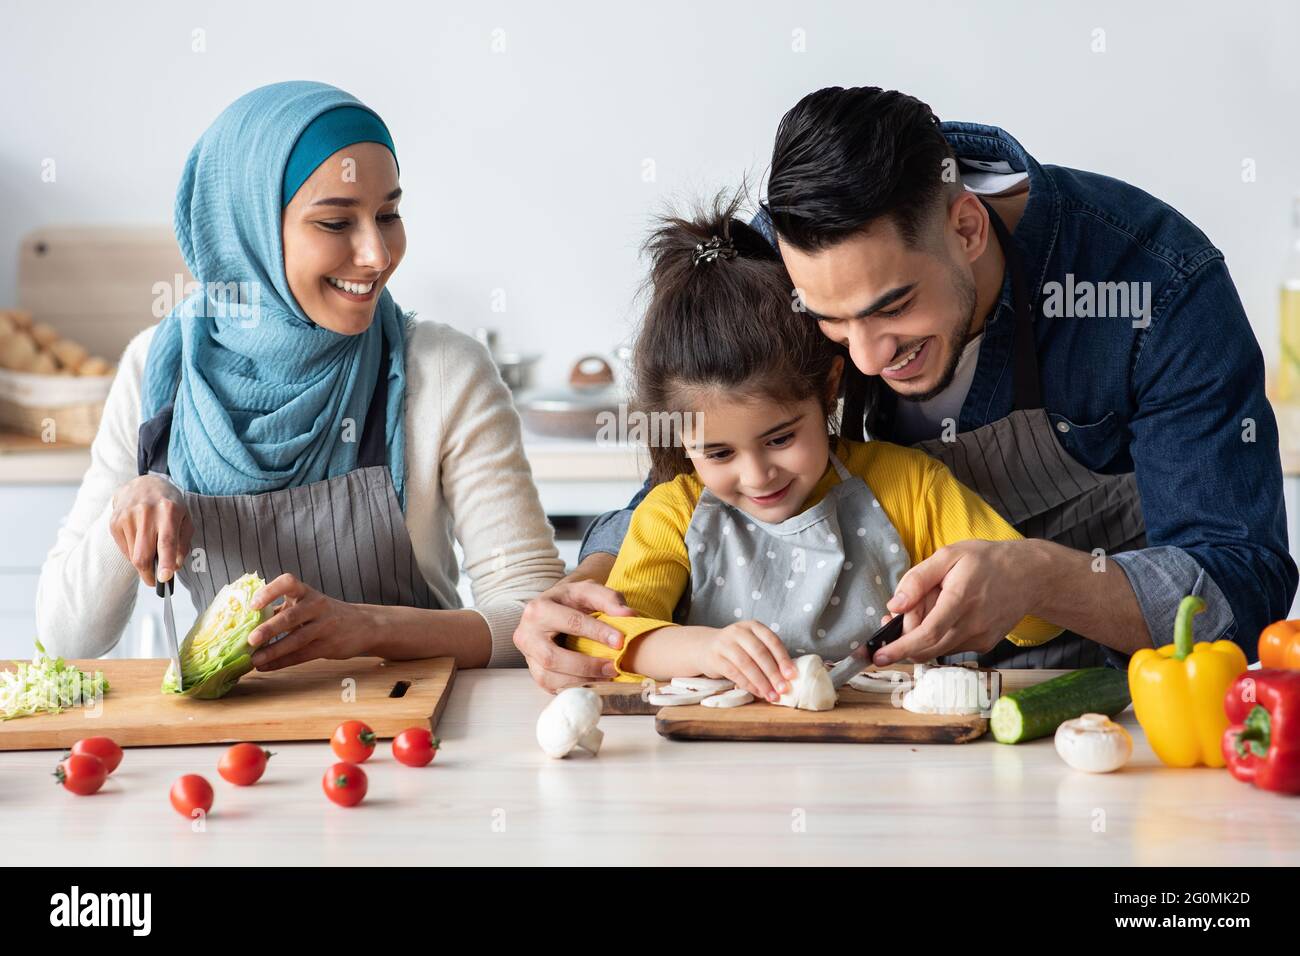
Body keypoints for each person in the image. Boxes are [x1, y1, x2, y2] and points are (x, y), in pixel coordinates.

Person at [516, 86, 1297, 689]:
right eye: (828, 322)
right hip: (871, 706)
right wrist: (590, 591)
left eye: (891, 308)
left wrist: (1040, 574)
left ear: (967, 227)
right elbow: (684, 486)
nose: (862, 358)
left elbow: (1240, 580)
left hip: (1105, 703)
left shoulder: (1152, 281)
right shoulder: (773, 258)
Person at [36, 81, 563, 669]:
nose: (378, 254)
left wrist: (370, 628)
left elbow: (537, 617)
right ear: (247, 230)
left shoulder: (440, 369)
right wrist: (128, 502)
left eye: (388, 214)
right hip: (233, 746)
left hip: (417, 738)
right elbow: (68, 641)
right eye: (337, 223)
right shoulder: (158, 368)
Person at [563, 196, 1060, 702]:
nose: (757, 476)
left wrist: (1006, 585)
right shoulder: (672, 515)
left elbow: (1038, 621)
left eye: (780, 439)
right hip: (718, 769)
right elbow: (595, 642)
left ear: (828, 388)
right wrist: (703, 650)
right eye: (718, 454)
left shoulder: (908, 485)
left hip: (887, 758)